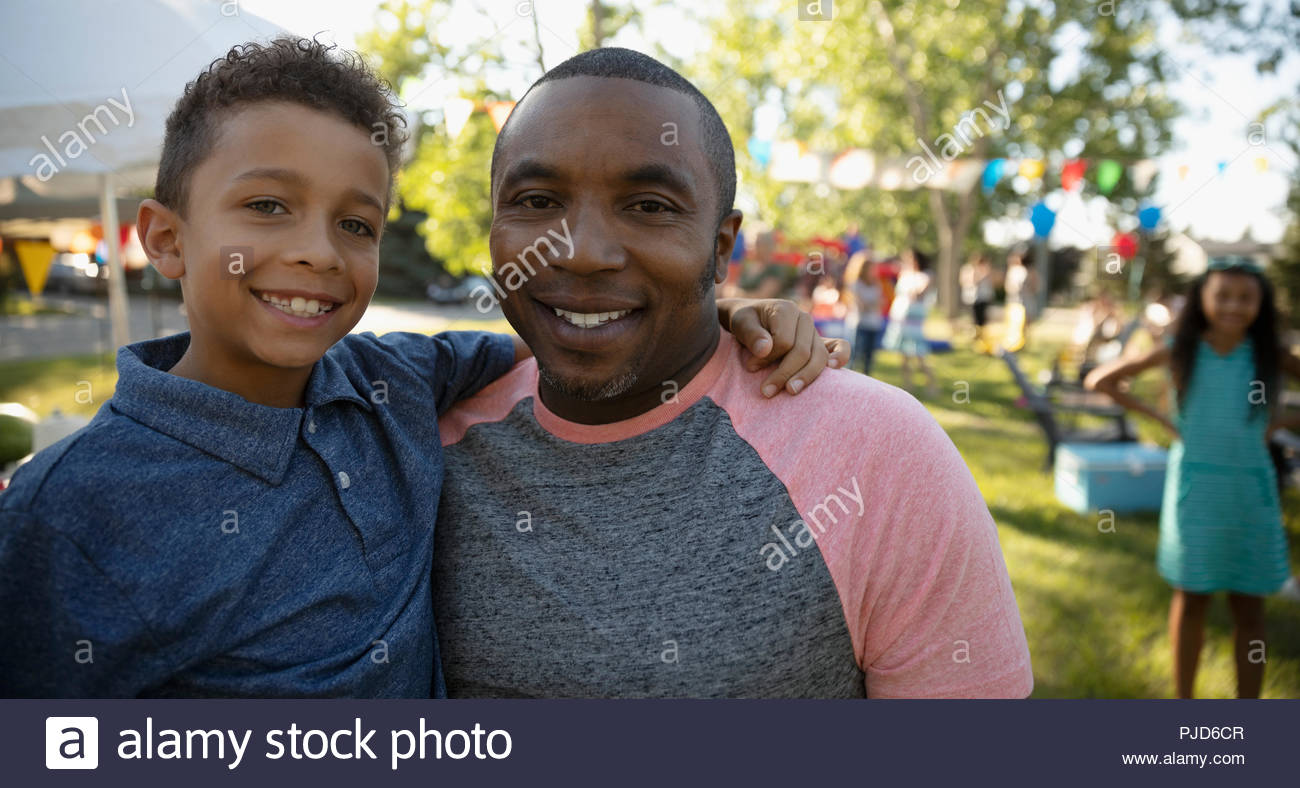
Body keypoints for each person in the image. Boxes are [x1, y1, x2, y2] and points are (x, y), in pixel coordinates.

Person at [0, 38, 839, 696]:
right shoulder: (70, 511)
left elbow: (579, 327)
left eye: (357, 224)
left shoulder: (395, 383)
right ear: (166, 238)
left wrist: (720, 308)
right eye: (267, 206)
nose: (316, 252)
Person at [431, 47, 1033, 698]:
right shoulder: (412, 438)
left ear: (721, 247)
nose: (582, 252)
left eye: (650, 206)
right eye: (538, 199)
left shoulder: (879, 453)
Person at [1085, 257, 1300, 698]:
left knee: (1249, 603)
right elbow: (1101, 380)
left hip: (1249, 493)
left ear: (1261, 304)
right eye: (1222, 295)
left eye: (1245, 298)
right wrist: (1160, 418)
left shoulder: (1269, 356)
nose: (1233, 306)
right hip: (1196, 491)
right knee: (1192, 596)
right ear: (1202, 298)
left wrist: (1280, 423)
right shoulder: (1180, 351)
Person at [881, 248, 938, 395]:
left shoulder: (925, 276)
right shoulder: (904, 275)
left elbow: (918, 293)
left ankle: (931, 385)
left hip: (914, 319)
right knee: (904, 354)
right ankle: (908, 385)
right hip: (900, 317)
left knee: (919, 354)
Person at [843, 251, 883, 374]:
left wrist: (871, 304)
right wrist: (872, 304)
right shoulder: (855, 284)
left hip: (873, 323)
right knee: (854, 356)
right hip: (858, 324)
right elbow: (862, 305)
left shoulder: (877, 284)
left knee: (868, 359)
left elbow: (880, 303)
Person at [1001, 248, 1039, 353]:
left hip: (1026, 300)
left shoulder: (1030, 271)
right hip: (1015, 301)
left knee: (1025, 324)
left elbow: (1036, 286)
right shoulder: (1013, 270)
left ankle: (1023, 344)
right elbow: (1008, 286)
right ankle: (1014, 343)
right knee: (1014, 323)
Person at [960, 253, 996, 354]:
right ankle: (975, 339)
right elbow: (970, 281)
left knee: (983, 320)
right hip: (973, 299)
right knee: (975, 320)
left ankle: (981, 340)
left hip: (983, 298)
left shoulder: (986, 270)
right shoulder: (969, 269)